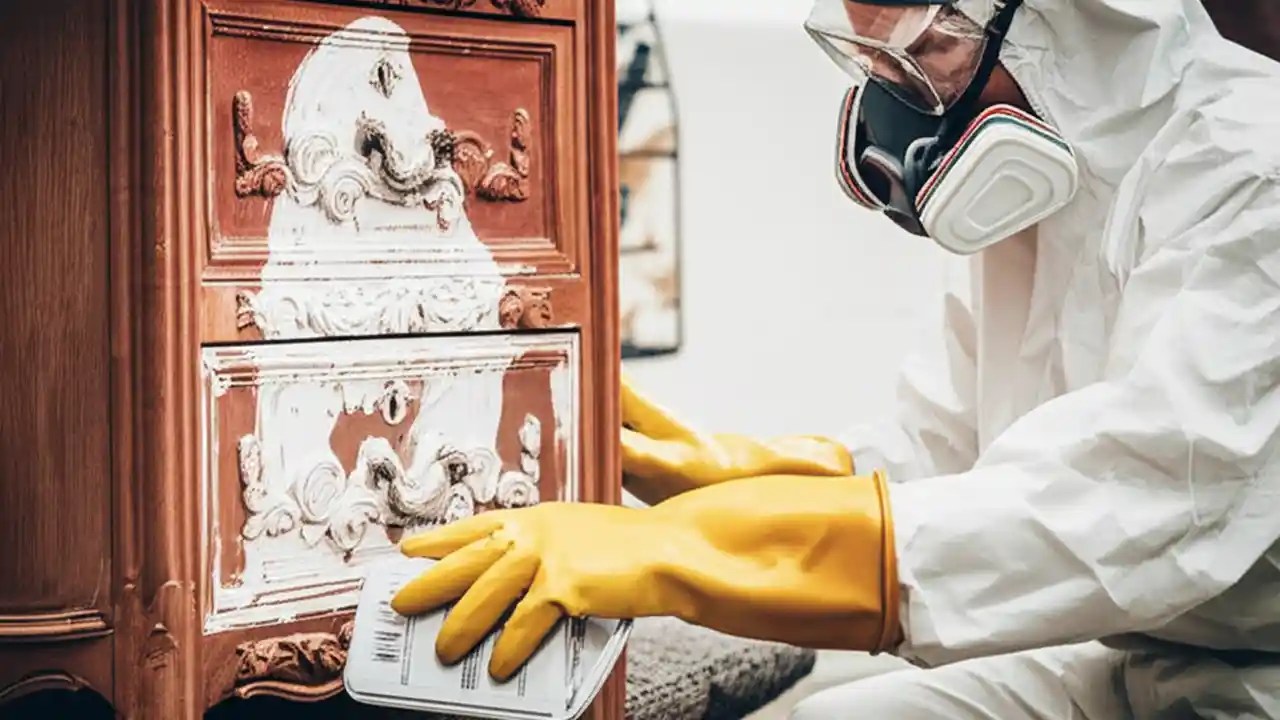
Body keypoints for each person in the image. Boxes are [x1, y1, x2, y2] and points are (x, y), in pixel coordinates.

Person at [390, 0, 1280, 716]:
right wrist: (711, 472)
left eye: (919, 61)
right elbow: (946, 452)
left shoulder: (1252, 166)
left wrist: (666, 554)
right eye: (871, 67)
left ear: (1060, 24)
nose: (890, 112)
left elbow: (1120, 511)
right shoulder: (1053, 189)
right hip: (1136, 662)